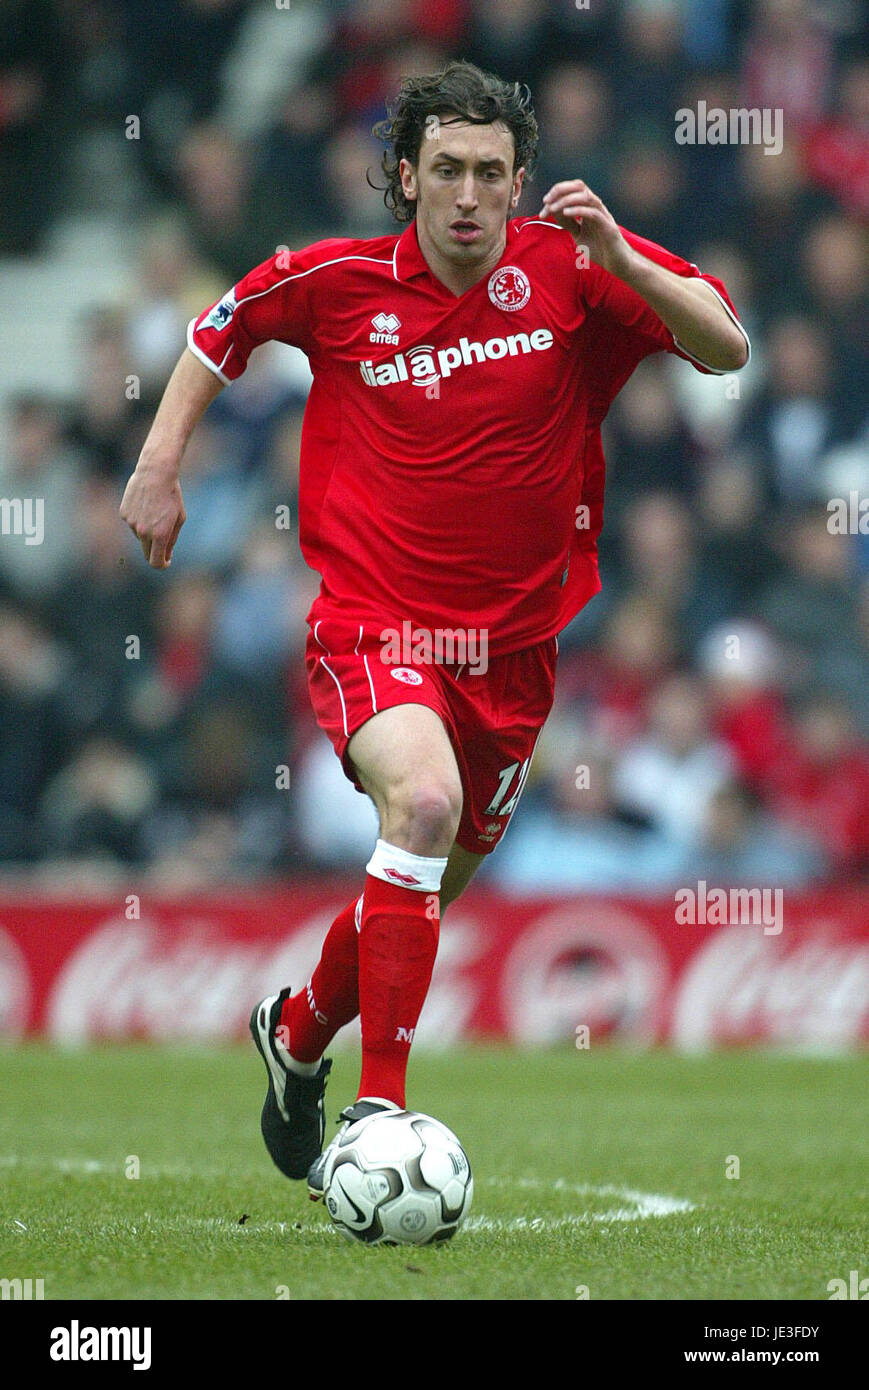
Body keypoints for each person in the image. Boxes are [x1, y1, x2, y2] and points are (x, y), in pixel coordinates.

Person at [119, 60, 749, 1196]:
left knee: (414, 885)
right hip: (374, 625)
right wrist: (160, 463)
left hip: (512, 657)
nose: (468, 194)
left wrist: (620, 260)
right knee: (419, 803)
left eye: (491, 174)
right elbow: (222, 328)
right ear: (405, 176)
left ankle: (299, 1030)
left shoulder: (573, 268)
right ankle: (382, 1112)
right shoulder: (339, 279)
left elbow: (725, 347)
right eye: (446, 170)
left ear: (521, 184)